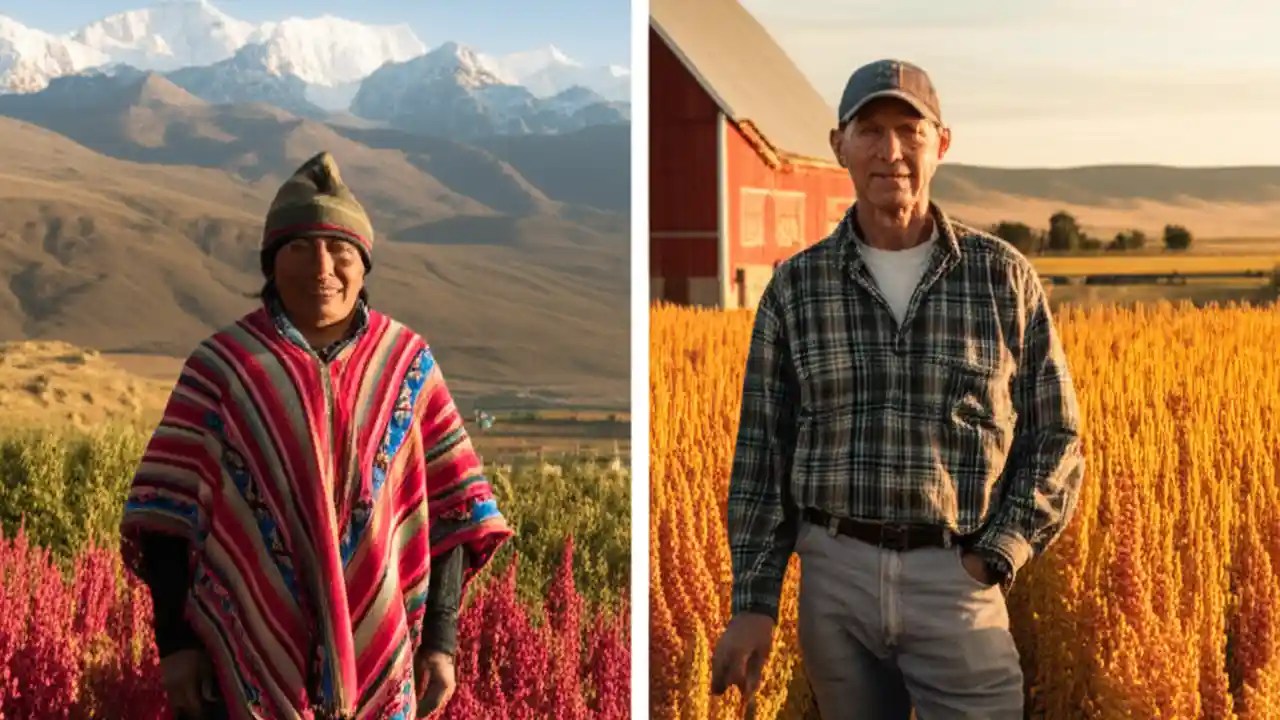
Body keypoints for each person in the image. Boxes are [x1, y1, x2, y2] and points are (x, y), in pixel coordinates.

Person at [708, 59, 1085, 719]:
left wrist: (996, 554)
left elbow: (1057, 437)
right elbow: (762, 458)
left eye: (909, 132)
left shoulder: (1001, 279)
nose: (890, 151)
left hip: (955, 578)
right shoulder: (797, 287)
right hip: (836, 577)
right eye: (870, 130)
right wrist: (754, 604)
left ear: (940, 143)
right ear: (839, 146)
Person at [119, 151, 514, 720]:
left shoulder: (407, 364)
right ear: (271, 263)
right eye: (300, 247)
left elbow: (455, 510)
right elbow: (164, 514)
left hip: (384, 647)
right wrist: (175, 646)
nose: (322, 267)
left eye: (341, 250)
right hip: (246, 655)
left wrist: (442, 640)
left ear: (364, 264)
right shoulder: (223, 369)